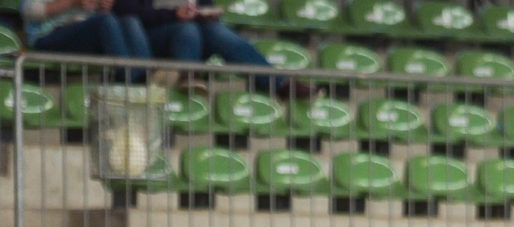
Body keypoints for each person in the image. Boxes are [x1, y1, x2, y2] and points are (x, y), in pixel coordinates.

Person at [113, 0, 314, 97]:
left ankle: (278, 83)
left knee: (214, 29)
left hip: (191, 36)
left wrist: (206, 13)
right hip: (150, 40)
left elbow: (205, 4)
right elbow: (126, 12)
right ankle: (187, 75)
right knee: (187, 29)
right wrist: (173, 15)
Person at [21, 0, 154, 80]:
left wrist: (102, 4)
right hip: (48, 36)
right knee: (104, 21)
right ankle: (129, 79)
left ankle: (146, 79)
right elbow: (30, 11)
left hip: (84, 30)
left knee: (130, 22)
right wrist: (72, 2)